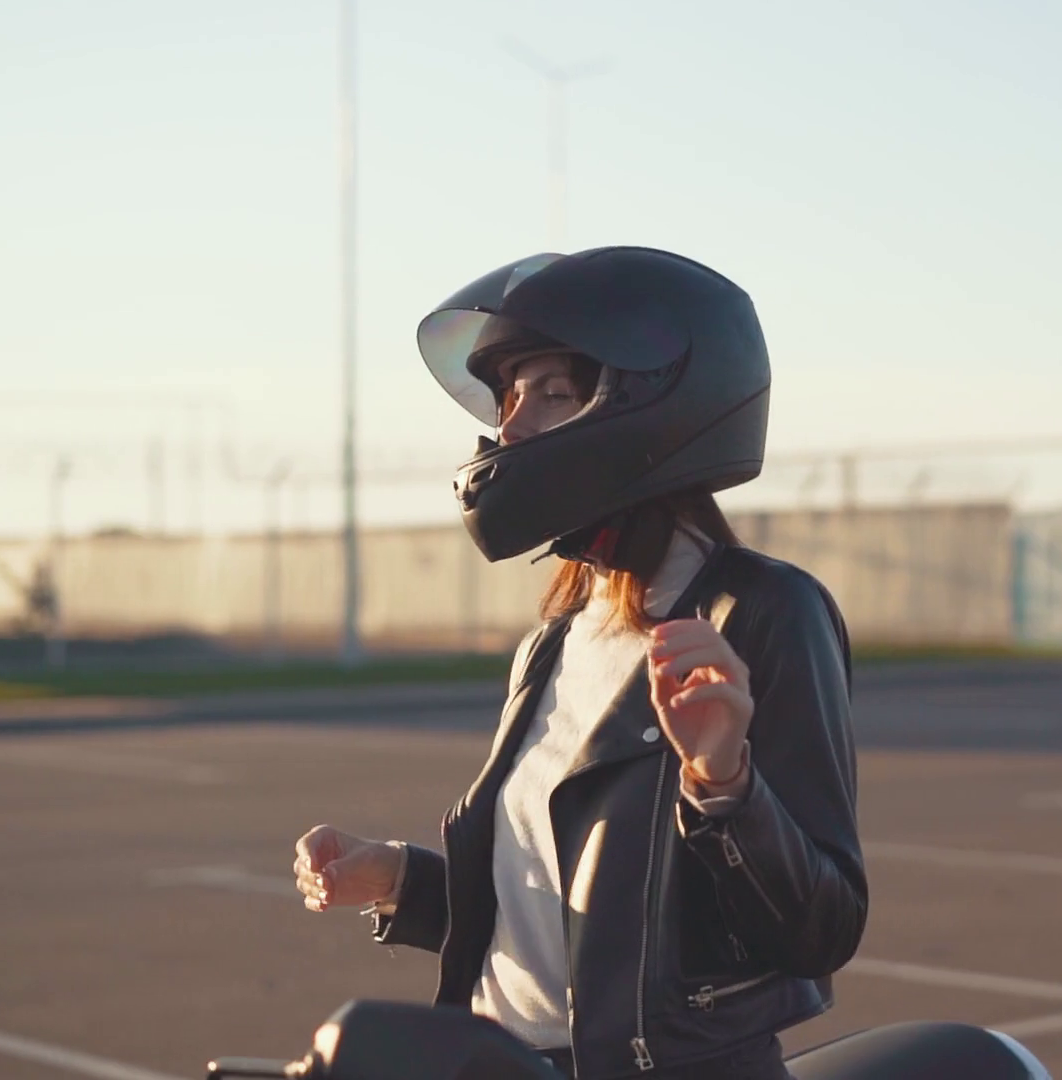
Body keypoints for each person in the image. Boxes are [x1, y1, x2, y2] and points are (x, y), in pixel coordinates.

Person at [292, 247, 864, 1080]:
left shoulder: (762, 615)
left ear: (661, 407)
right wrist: (398, 880)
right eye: (509, 394)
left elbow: (823, 928)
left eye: (554, 393)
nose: (512, 425)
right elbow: (562, 911)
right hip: (502, 1063)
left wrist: (724, 784)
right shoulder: (557, 637)